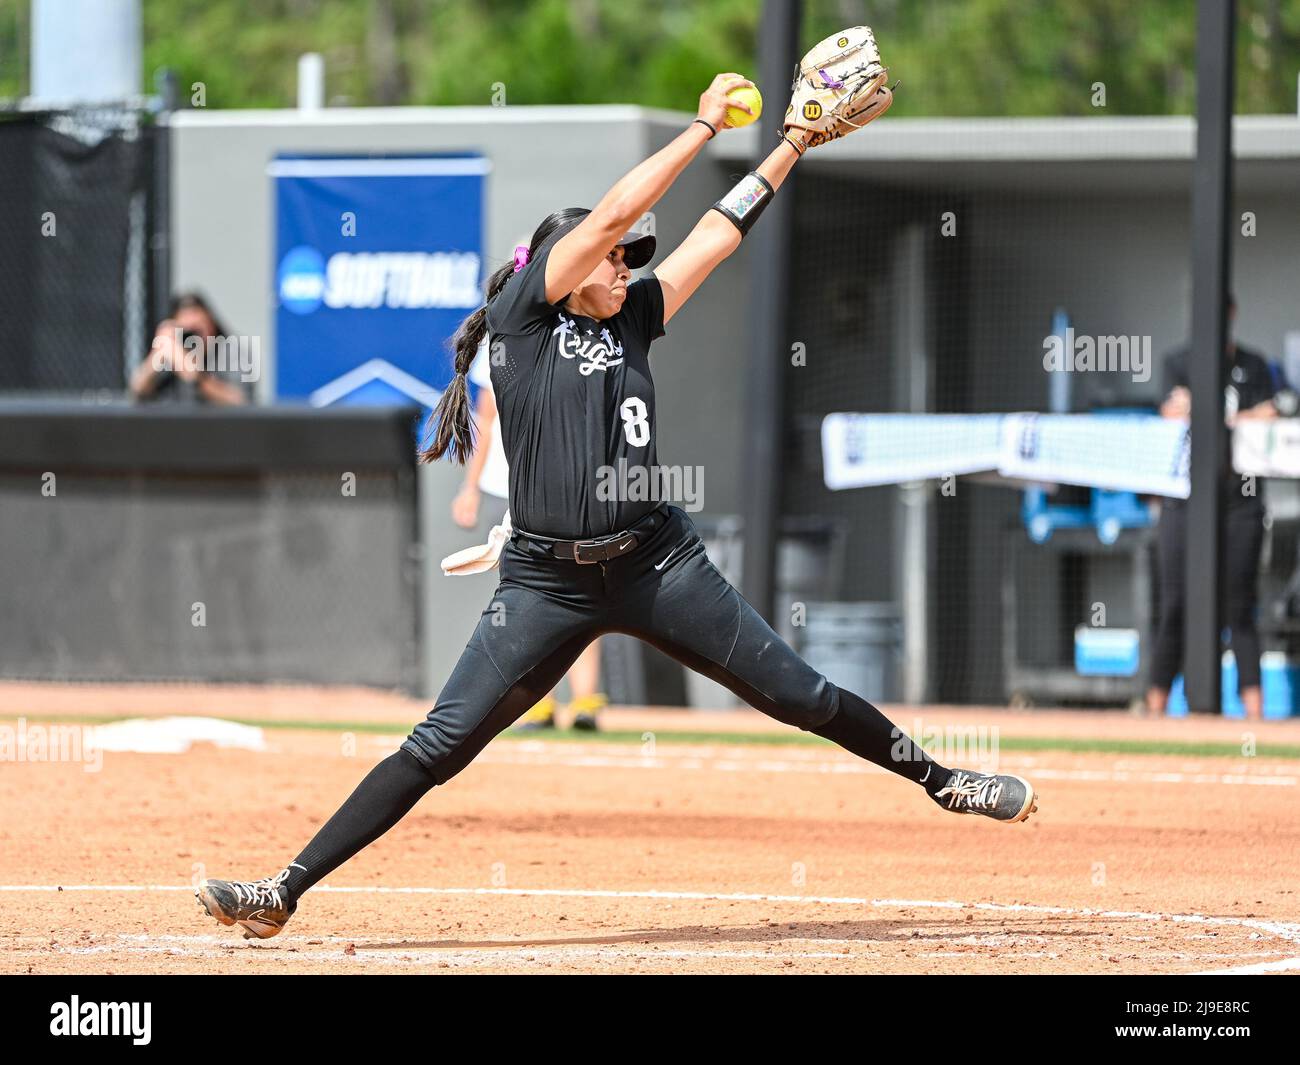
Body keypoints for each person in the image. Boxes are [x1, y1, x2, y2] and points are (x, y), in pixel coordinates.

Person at [197, 64, 1037, 942]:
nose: (629, 260)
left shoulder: (632, 316)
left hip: (656, 563)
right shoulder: (526, 317)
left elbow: (718, 234)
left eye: (634, 255)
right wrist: (704, 128)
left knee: (804, 694)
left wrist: (789, 145)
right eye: (616, 254)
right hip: (543, 586)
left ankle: (946, 781)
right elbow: (605, 217)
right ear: (561, 267)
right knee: (438, 745)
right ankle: (283, 889)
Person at [452, 337, 608, 730]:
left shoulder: (575, 333)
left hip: (562, 486)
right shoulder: (500, 340)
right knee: (524, 599)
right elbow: (487, 420)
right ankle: (540, 702)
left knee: (581, 590)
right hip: (506, 488)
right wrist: (469, 487)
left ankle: (586, 702)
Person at [1147, 297, 1280, 720]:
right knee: (1175, 606)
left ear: (1231, 315)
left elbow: (1272, 415)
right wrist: (1228, 416)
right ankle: (1155, 714)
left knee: (1239, 606)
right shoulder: (1178, 362)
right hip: (1182, 503)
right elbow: (1168, 414)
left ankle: (1254, 719)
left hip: (1239, 505)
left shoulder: (1254, 365)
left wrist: (1223, 417)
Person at [129, 291, 248, 406]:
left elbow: (239, 400)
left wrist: (194, 375)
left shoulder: (229, 350)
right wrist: (158, 355)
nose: (193, 339)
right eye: (187, 332)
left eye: (198, 331)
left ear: (212, 327)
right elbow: (137, 392)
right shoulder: (171, 354)